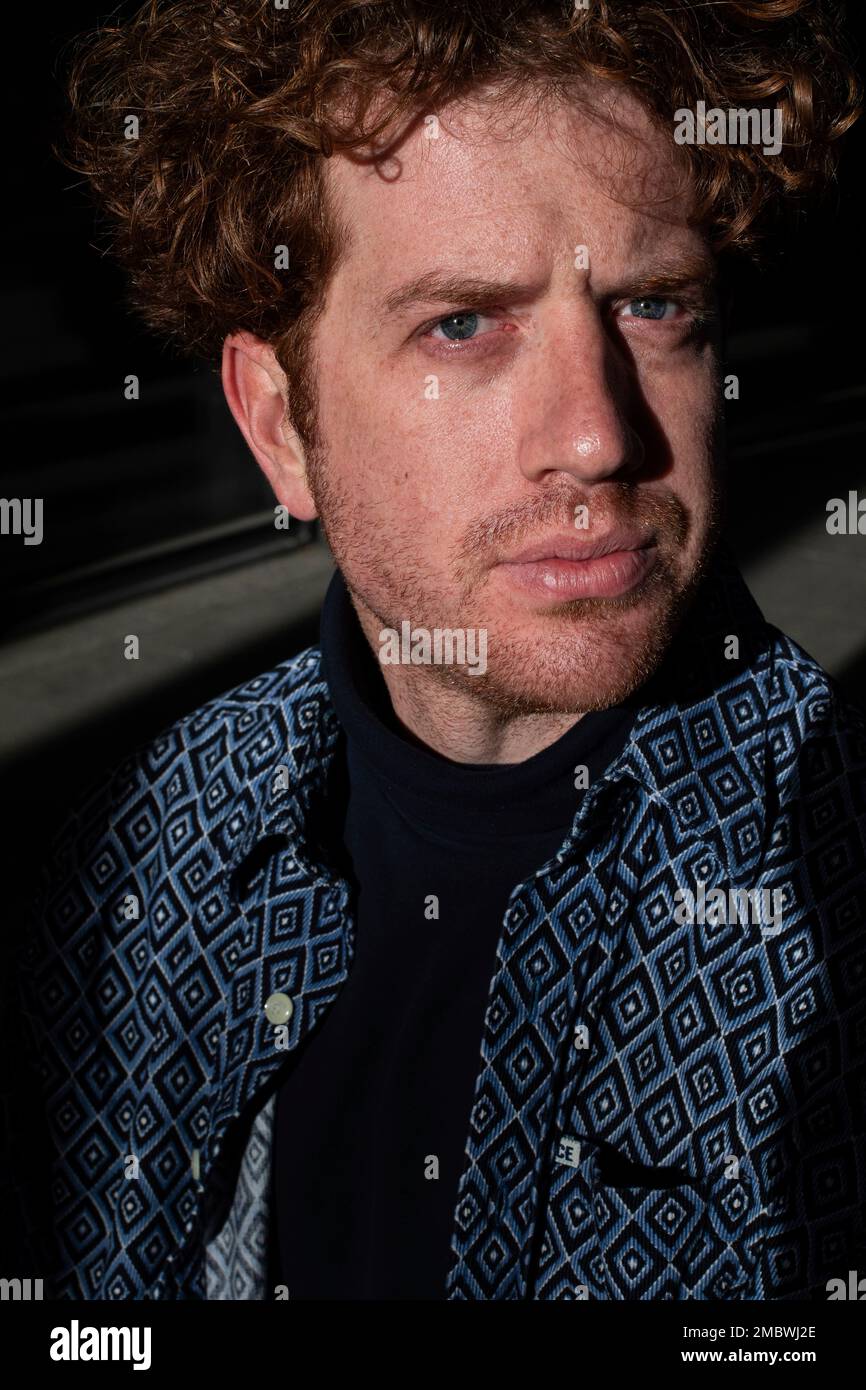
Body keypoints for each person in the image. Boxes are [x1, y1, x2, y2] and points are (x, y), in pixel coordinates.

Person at [5, 0, 865, 1300]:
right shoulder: (147, 854)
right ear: (280, 424)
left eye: (648, 304)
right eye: (464, 324)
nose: (594, 437)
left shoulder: (833, 907)